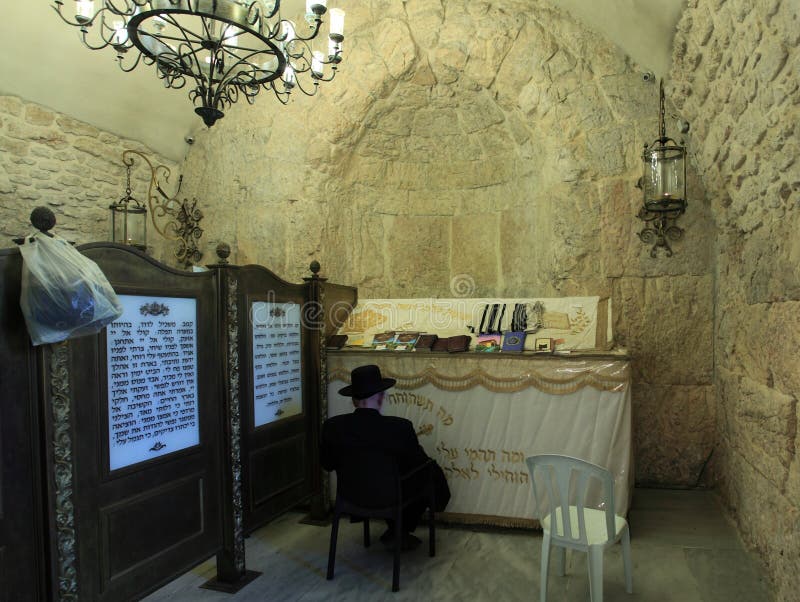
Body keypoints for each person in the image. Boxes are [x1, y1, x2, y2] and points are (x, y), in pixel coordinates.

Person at [321, 364, 451, 550]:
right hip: (389, 497)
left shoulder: (332, 427)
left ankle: (396, 528)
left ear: (353, 400)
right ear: (380, 397)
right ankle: (401, 528)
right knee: (428, 472)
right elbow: (416, 464)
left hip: (350, 495)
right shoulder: (399, 427)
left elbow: (327, 463)